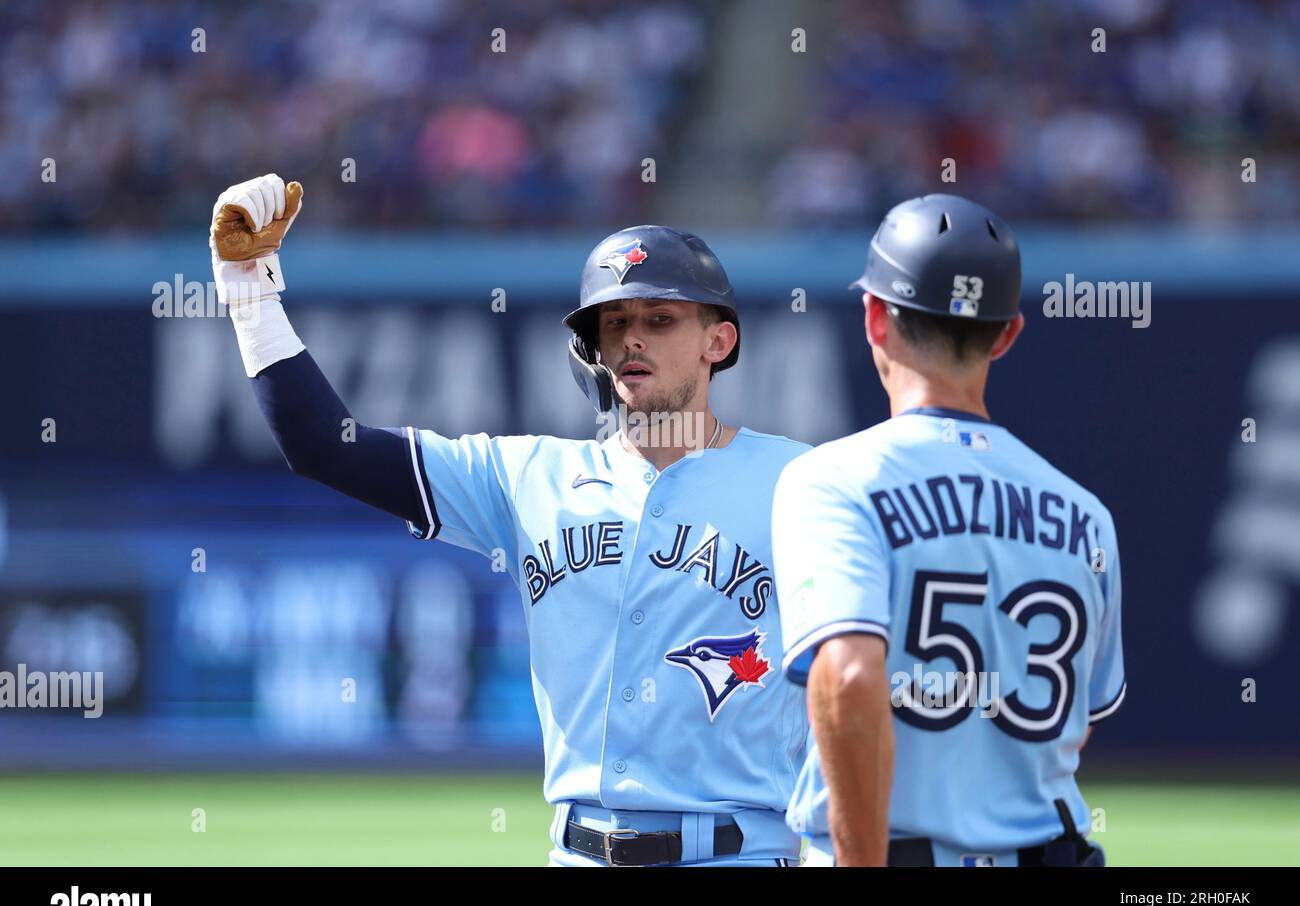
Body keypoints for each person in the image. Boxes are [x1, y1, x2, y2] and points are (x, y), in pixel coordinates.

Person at [208, 174, 810, 866]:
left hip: (743, 854)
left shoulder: (801, 483)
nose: (632, 339)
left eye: (659, 319)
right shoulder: (527, 477)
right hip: (579, 853)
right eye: (613, 323)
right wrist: (249, 287)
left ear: (718, 340)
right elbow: (322, 444)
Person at [771, 194, 1125, 867]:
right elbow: (1073, 731)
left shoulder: (832, 480)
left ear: (875, 317)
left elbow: (847, 679)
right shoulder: (1086, 514)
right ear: (1007, 333)